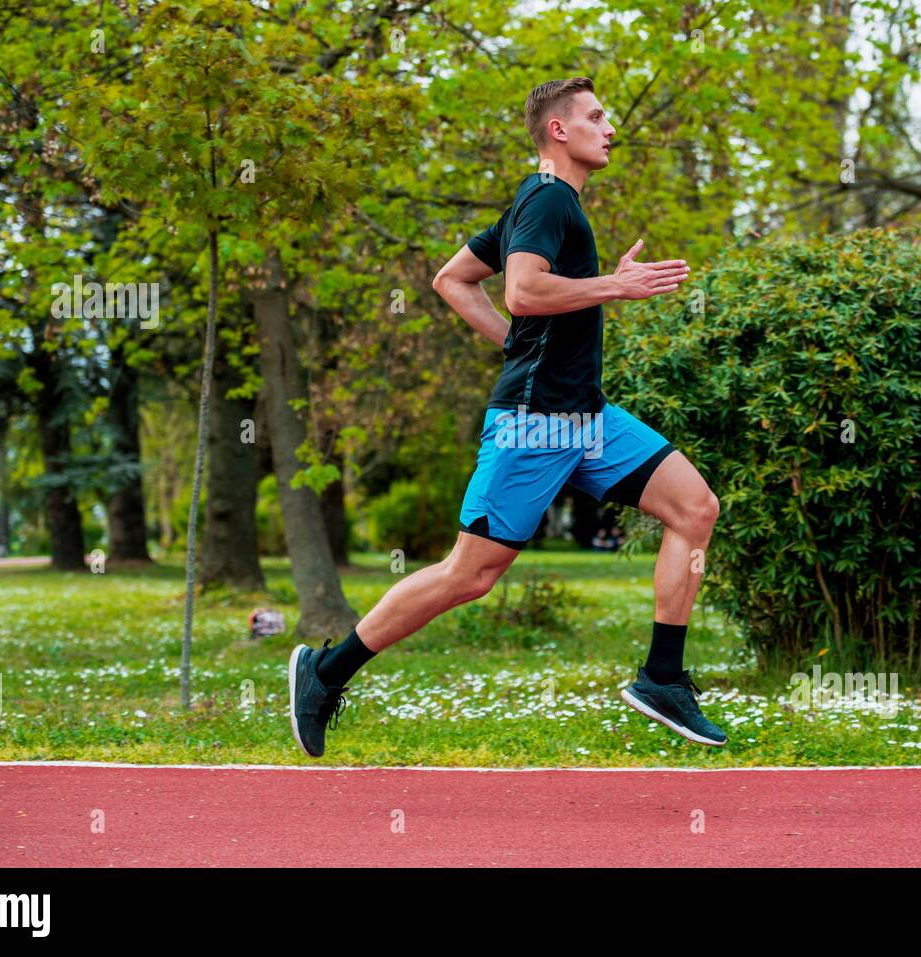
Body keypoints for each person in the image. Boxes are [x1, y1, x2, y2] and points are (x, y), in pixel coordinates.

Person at [288, 76, 725, 758]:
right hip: (537, 420)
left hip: (584, 414)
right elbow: (522, 291)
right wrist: (616, 285)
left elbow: (452, 280)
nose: (609, 127)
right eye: (596, 116)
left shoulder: (538, 203)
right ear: (559, 130)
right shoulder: (549, 201)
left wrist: (519, 347)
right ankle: (326, 671)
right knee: (472, 574)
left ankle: (662, 676)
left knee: (695, 508)